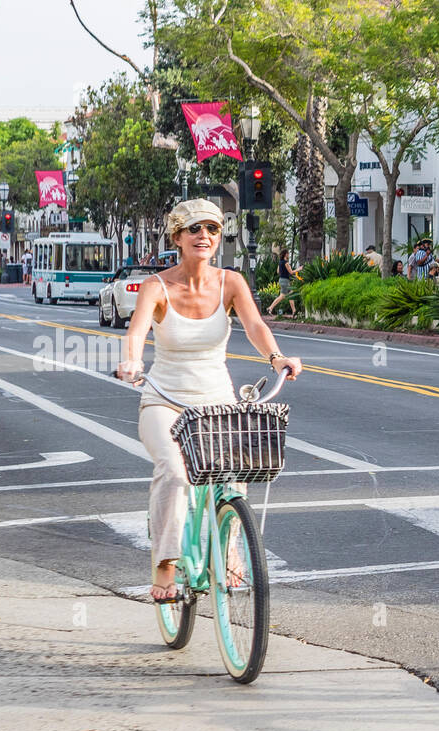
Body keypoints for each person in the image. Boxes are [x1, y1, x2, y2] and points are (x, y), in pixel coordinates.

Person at [115, 199, 303, 602]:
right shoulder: (156, 286)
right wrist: (131, 361)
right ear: (178, 237)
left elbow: (255, 324)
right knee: (175, 473)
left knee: (233, 478)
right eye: (195, 229)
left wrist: (277, 358)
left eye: (212, 229)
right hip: (164, 401)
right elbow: (137, 331)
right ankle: (165, 565)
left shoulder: (230, 282)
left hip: (216, 403)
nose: (204, 236)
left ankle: (231, 548)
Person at [266, 247, 301, 316]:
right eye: (288, 253)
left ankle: (294, 311)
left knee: (290, 295)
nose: (288, 255)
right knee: (282, 296)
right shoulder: (286, 263)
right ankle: (270, 308)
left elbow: (278, 271)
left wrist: (283, 272)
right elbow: (291, 272)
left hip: (281, 280)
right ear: (285, 254)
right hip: (285, 281)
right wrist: (299, 269)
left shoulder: (280, 262)